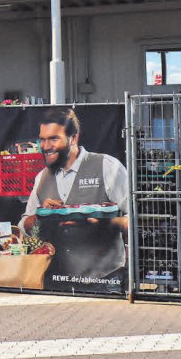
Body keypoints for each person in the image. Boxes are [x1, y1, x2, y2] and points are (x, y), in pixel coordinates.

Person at [19, 106, 129, 286]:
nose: (46, 147)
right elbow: (24, 225)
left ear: (74, 137)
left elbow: (136, 219)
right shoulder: (42, 177)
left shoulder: (107, 167)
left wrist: (104, 222)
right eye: (42, 140)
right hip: (56, 281)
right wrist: (42, 216)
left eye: (54, 138)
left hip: (104, 282)